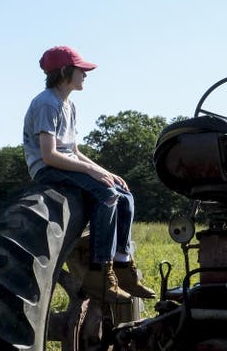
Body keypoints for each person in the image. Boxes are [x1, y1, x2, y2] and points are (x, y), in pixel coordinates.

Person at [23, 45, 155, 303]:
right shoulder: (46, 104)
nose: (85, 75)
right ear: (64, 72)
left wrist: (105, 170)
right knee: (107, 195)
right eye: (81, 70)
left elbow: (73, 150)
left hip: (66, 162)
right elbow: (50, 155)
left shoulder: (68, 105)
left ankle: (123, 265)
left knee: (124, 193)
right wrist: (91, 171)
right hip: (47, 169)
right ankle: (100, 273)